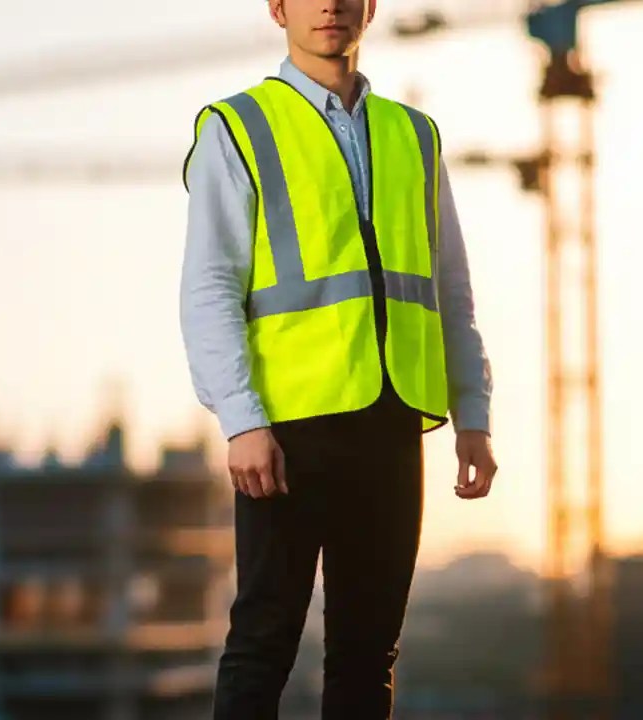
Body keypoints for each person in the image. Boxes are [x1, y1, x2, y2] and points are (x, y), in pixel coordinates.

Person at [178, 0, 498, 717]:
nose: (329, 4)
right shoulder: (239, 127)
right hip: (285, 432)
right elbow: (208, 287)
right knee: (263, 642)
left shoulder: (413, 134)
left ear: (371, 6)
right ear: (278, 8)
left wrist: (471, 412)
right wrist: (240, 419)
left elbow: (449, 283)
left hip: (391, 422)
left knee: (368, 652)